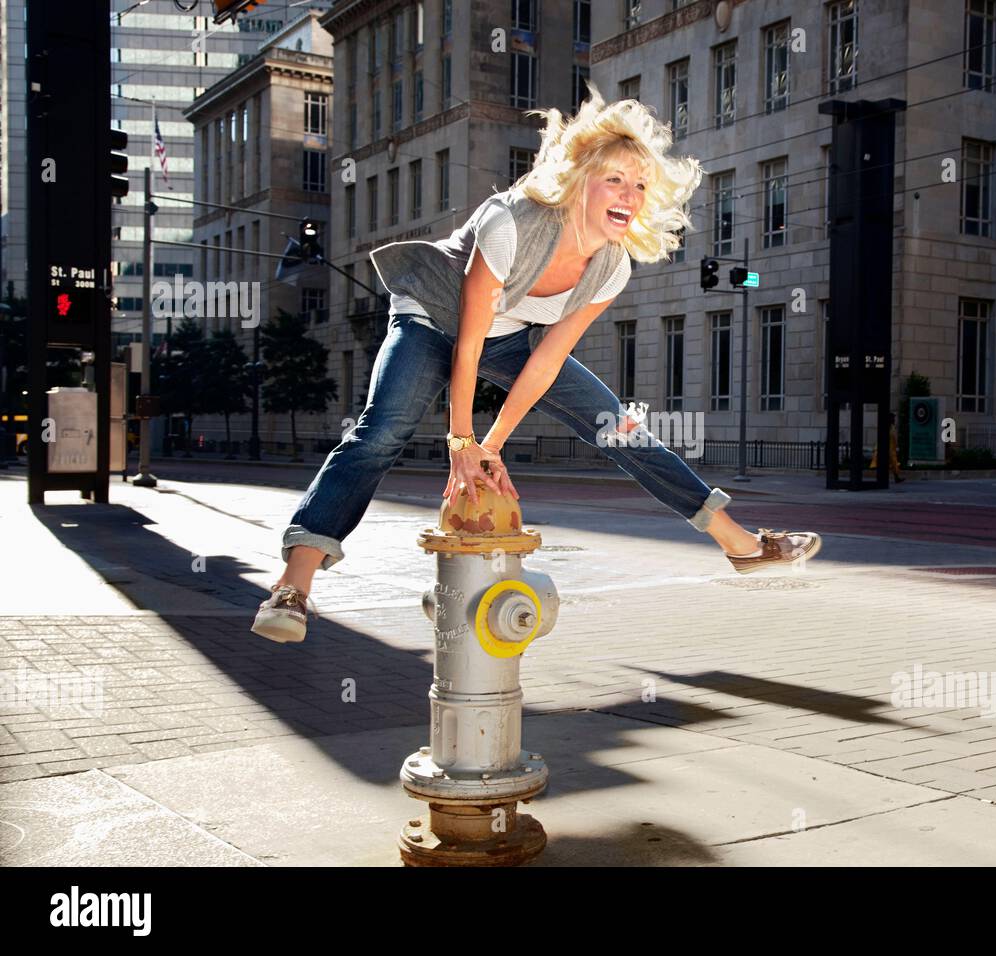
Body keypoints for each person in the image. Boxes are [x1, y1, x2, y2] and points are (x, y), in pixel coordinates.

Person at [251, 87, 821, 643]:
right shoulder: (513, 221)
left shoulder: (612, 267)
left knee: (618, 427)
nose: (629, 194)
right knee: (383, 431)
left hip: (511, 338)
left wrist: (492, 446)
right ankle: (292, 586)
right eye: (615, 179)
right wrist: (461, 445)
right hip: (434, 316)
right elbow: (466, 343)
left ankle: (739, 544)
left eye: (640, 184)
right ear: (581, 183)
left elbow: (547, 360)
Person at [868, 413, 905, 482]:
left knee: (894, 464)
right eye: (893, 418)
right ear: (890, 419)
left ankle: (896, 477)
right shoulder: (886, 427)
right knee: (888, 463)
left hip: (891, 449)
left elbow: (893, 438)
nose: (894, 420)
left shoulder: (892, 427)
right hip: (887, 449)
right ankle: (886, 478)